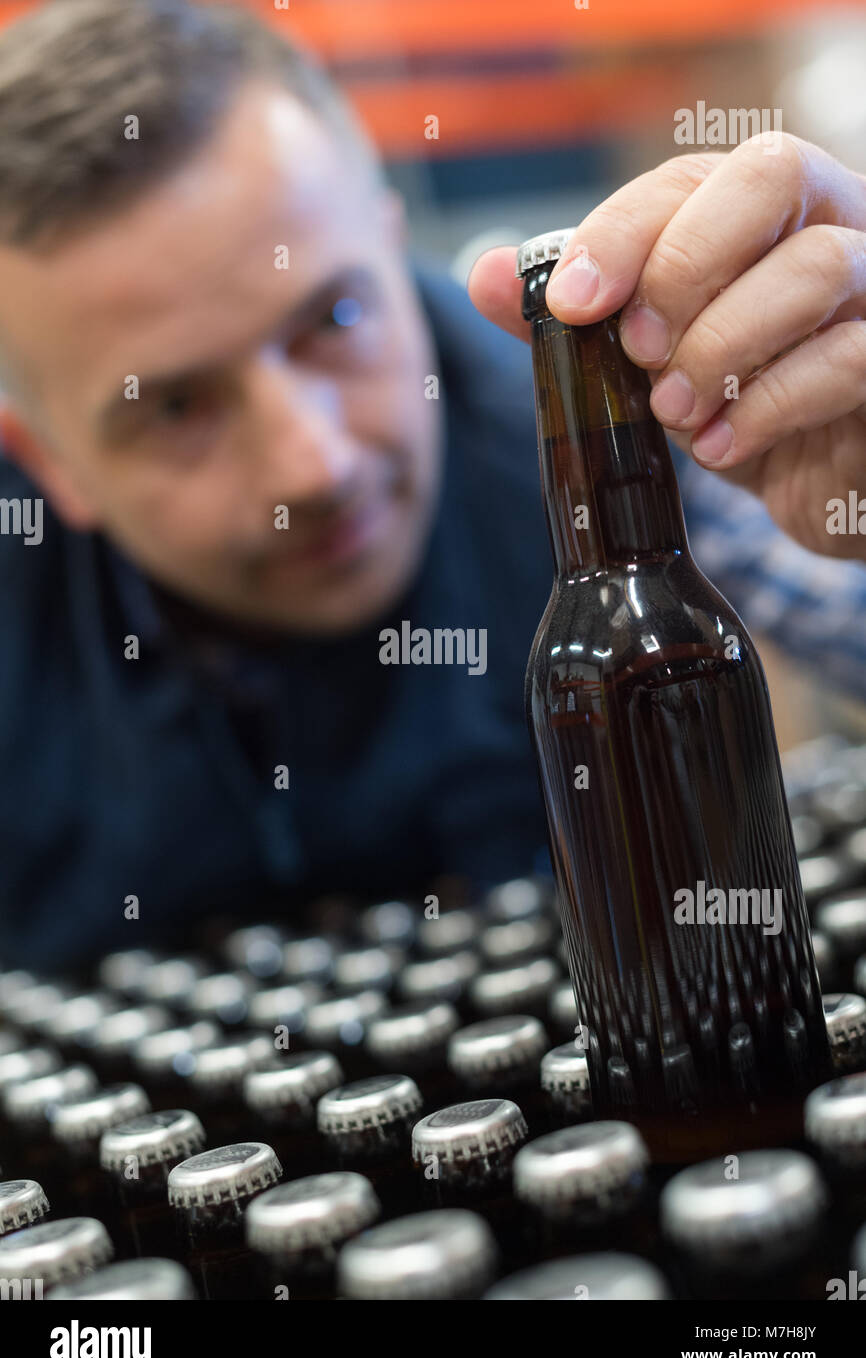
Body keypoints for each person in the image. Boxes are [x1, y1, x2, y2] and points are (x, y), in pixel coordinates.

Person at [0, 0, 863, 970]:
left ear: (390, 242)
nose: (313, 466)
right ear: (47, 463)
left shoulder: (612, 414)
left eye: (332, 315)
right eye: (172, 407)